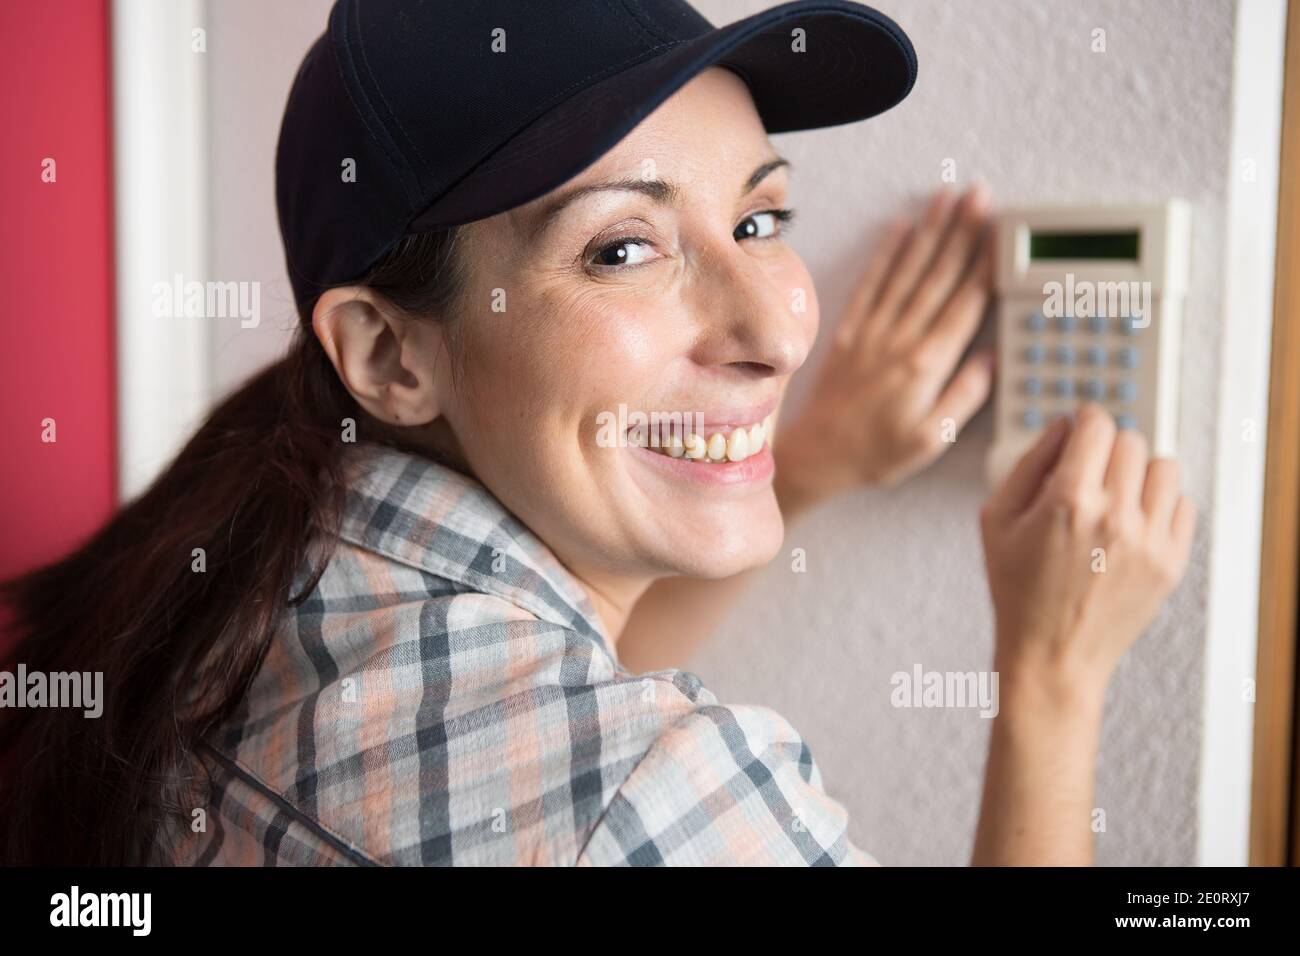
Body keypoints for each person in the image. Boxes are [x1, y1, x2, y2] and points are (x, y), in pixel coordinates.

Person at [0, 0, 1193, 866]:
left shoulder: (249, 589)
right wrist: (1051, 679)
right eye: (624, 247)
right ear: (386, 352)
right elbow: (586, 776)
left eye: (760, 216)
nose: (777, 328)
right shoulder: (657, 794)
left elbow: (524, 702)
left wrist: (805, 459)